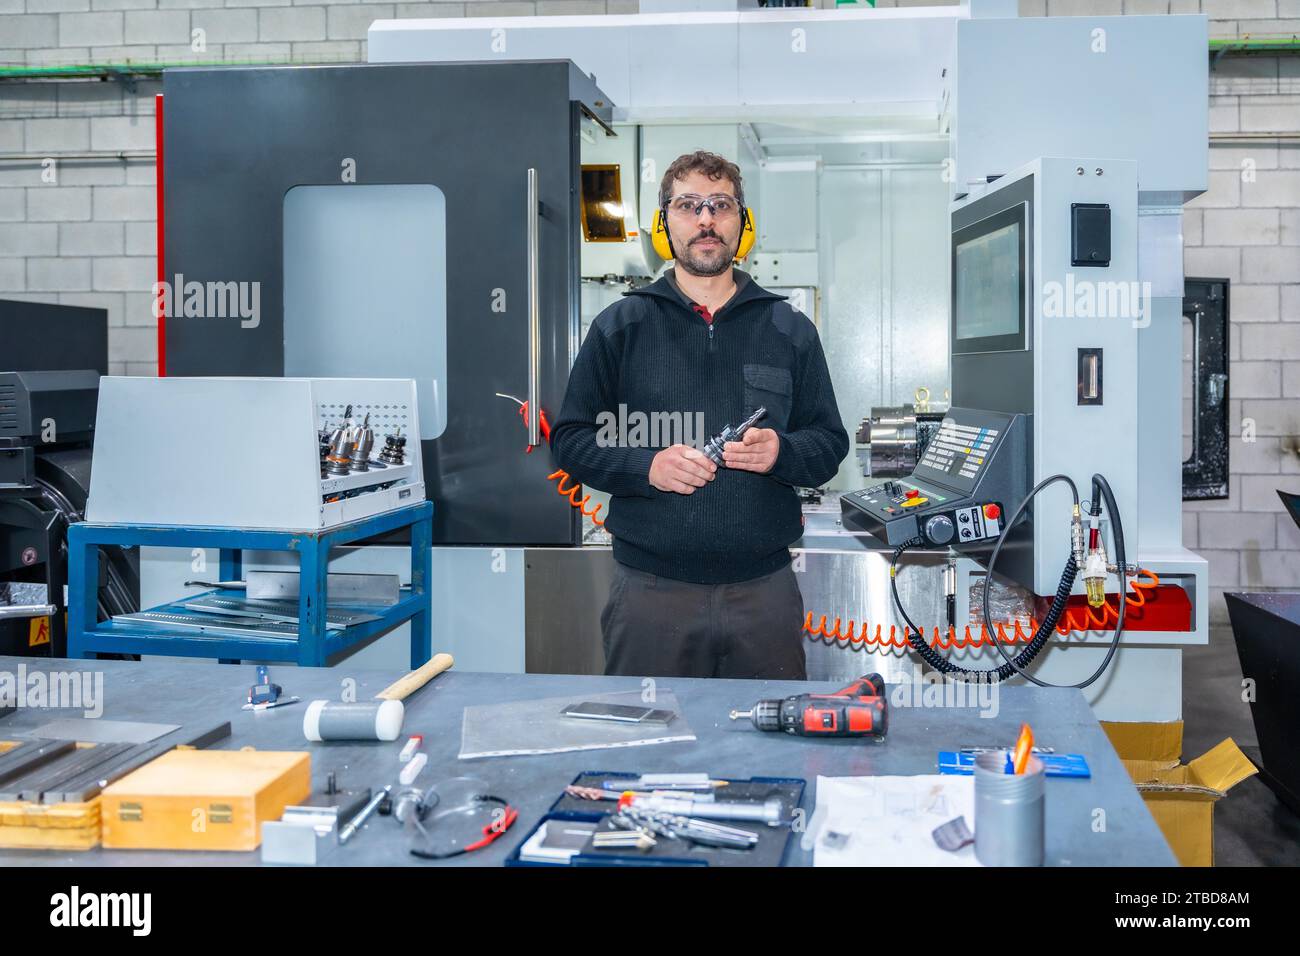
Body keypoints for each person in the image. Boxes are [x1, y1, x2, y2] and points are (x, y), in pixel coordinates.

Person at [550, 150, 848, 679]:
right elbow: (571, 440)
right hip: (649, 594)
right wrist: (646, 468)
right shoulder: (621, 325)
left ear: (742, 223)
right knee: (649, 753)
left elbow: (829, 442)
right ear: (666, 222)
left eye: (721, 205)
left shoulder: (788, 327)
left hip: (765, 596)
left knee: (770, 754)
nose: (706, 219)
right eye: (688, 205)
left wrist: (783, 451)